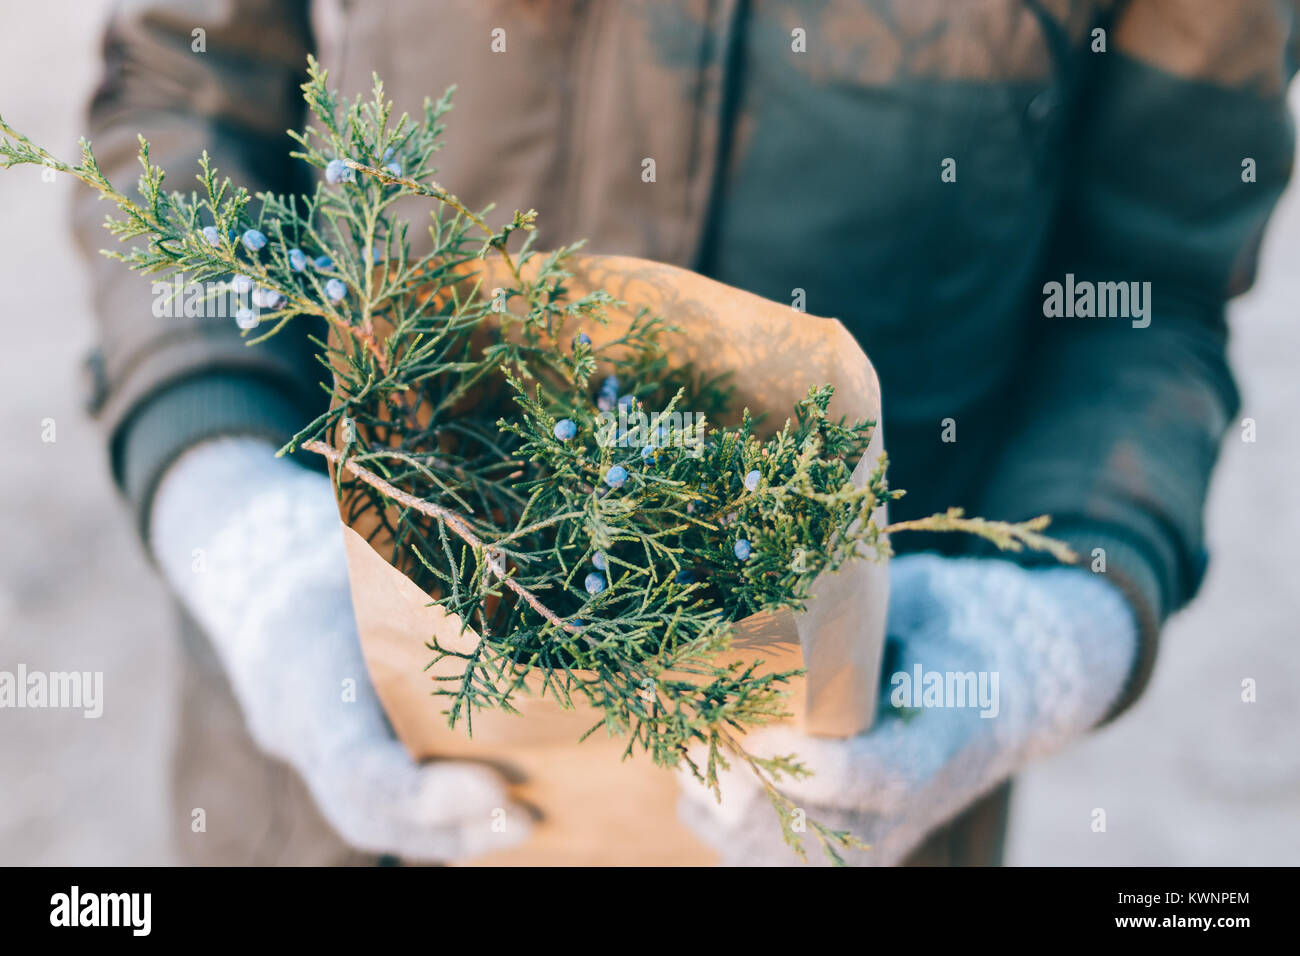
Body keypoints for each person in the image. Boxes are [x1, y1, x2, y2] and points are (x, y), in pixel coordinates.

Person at [72, 0, 1299, 865]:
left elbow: (1146, 286)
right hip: (329, 762)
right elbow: (185, 91)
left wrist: (1043, 625)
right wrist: (232, 506)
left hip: (846, 778)